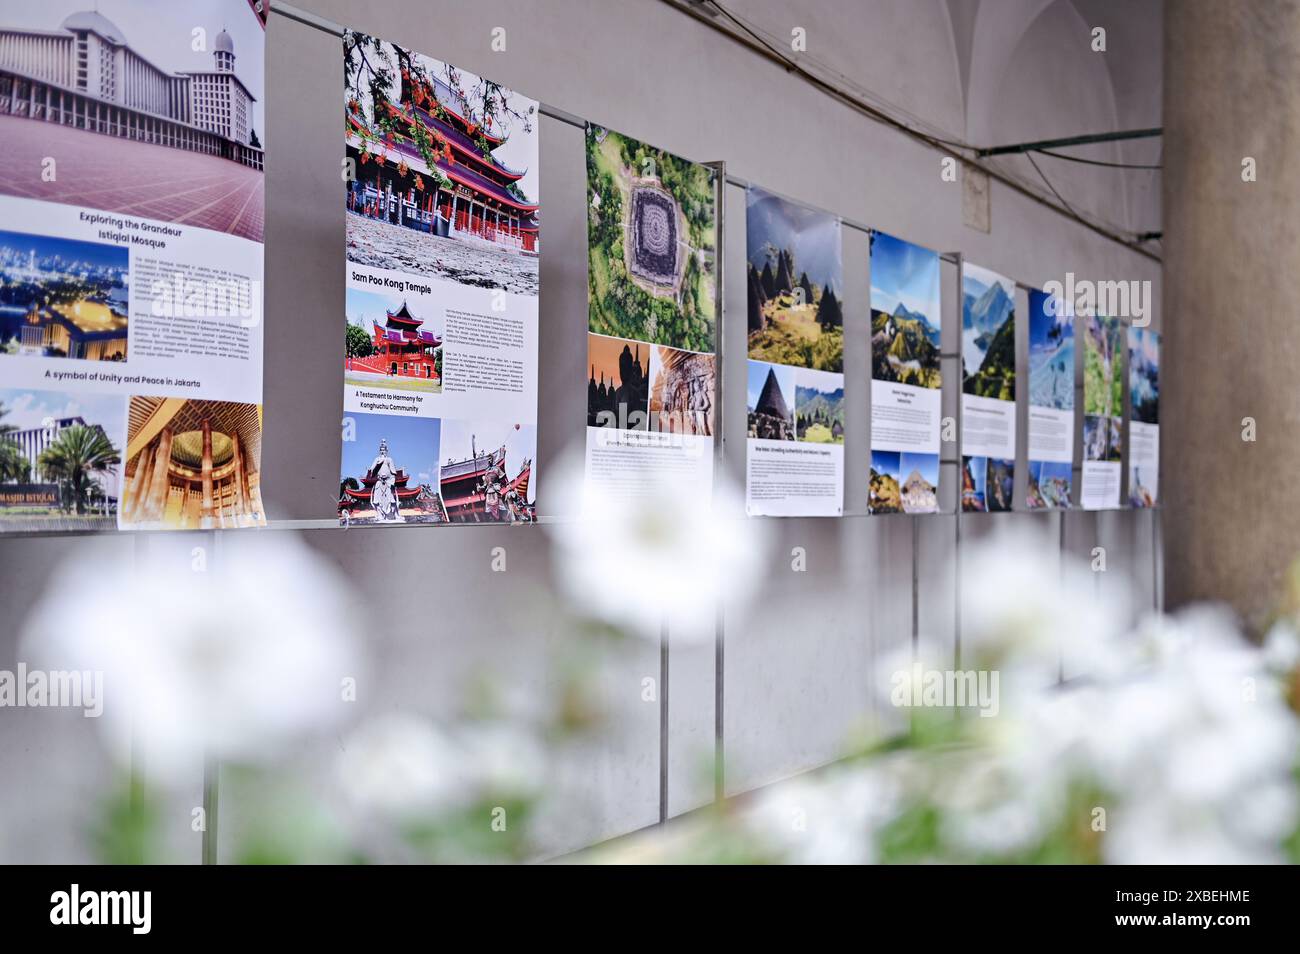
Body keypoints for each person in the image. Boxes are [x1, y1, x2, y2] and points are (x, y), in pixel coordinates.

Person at [368, 438, 403, 522]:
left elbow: (393, 473)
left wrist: (392, 481)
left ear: (387, 451)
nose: (382, 451)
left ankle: (394, 514)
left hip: (388, 482)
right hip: (379, 482)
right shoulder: (377, 459)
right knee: (376, 500)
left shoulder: (389, 459)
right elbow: (371, 471)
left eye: (384, 450)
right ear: (379, 451)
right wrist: (378, 464)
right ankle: (380, 515)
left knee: (392, 500)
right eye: (381, 450)